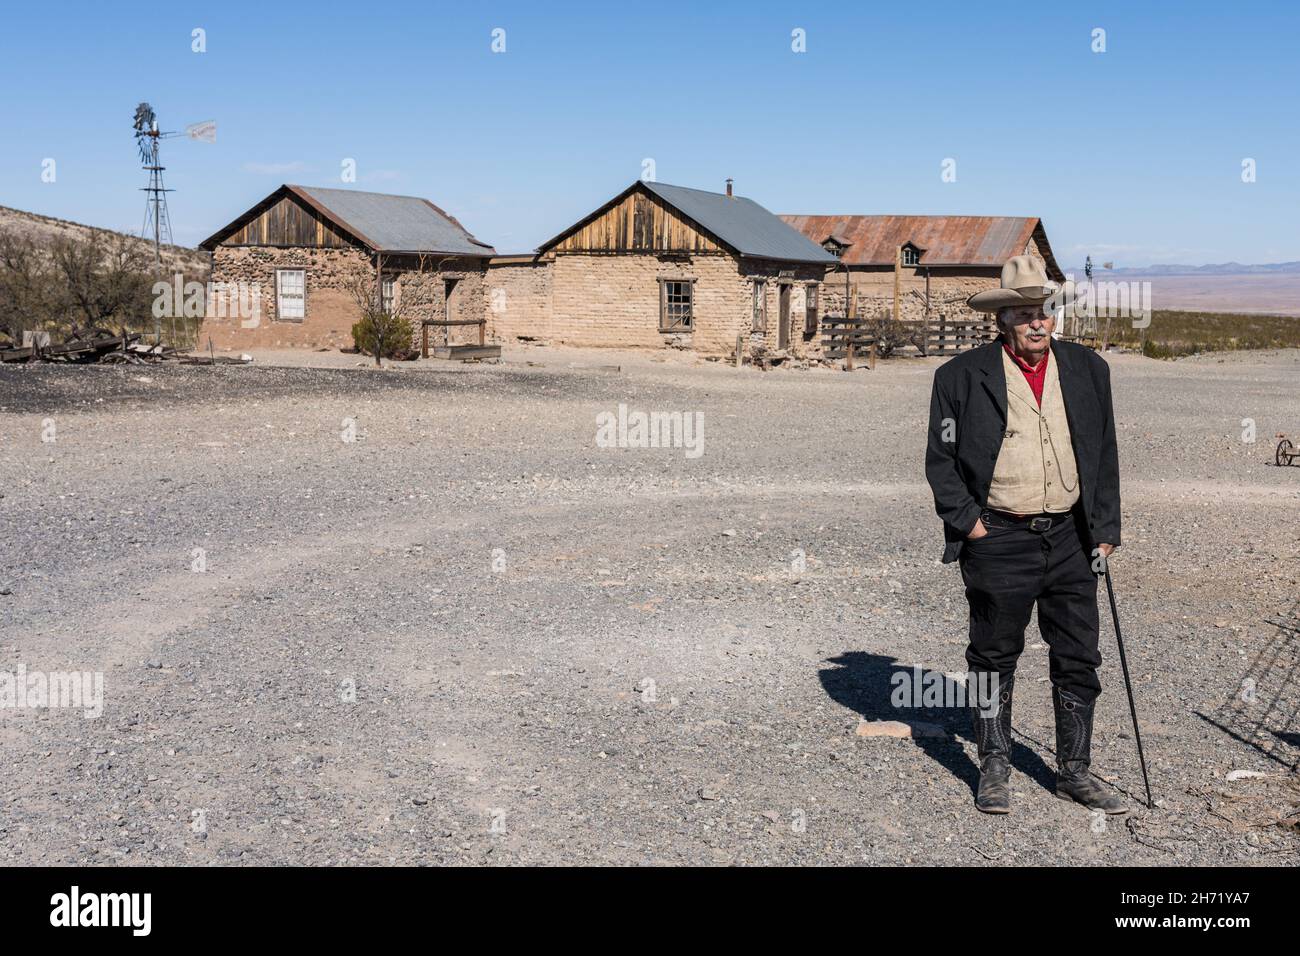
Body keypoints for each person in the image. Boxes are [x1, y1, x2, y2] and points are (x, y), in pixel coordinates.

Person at [924, 255, 1125, 815]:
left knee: (1079, 654)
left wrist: (1104, 529)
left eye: (1044, 312)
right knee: (993, 654)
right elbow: (941, 461)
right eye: (1024, 313)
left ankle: (1074, 771)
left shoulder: (1089, 371)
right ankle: (993, 766)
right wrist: (970, 524)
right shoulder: (958, 377)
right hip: (999, 537)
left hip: (1070, 537)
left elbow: (1104, 454)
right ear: (1002, 319)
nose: (1037, 323)